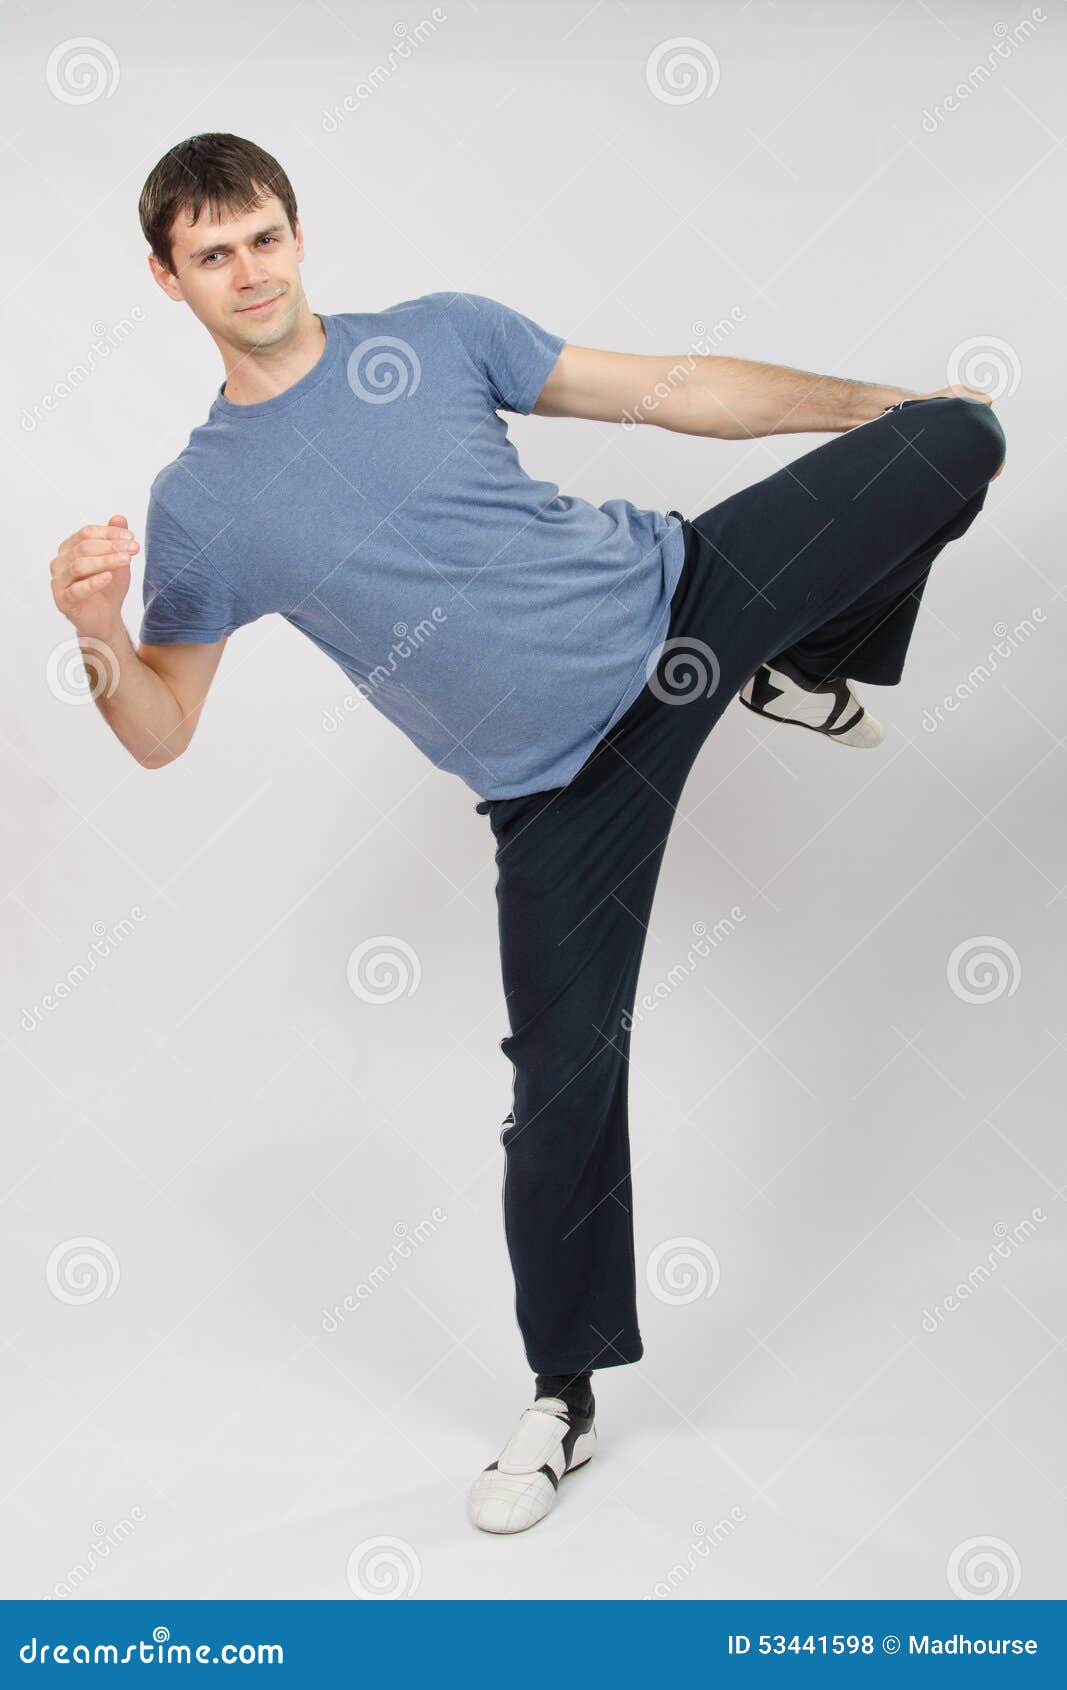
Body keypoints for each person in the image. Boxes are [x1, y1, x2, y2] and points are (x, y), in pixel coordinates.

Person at [48, 133, 1007, 1537]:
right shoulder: (205, 503)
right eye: (213, 254)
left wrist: (876, 403)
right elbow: (161, 727)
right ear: (167, 277)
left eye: (264, 238)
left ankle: (787, 662)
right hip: (559, 789)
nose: (248, 272)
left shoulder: (440, 336)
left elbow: (674, 391)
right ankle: (566, 1393)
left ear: (297, 234)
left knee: (954, 440)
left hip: (683, 604)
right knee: (562, 1083)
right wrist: (95, 632)